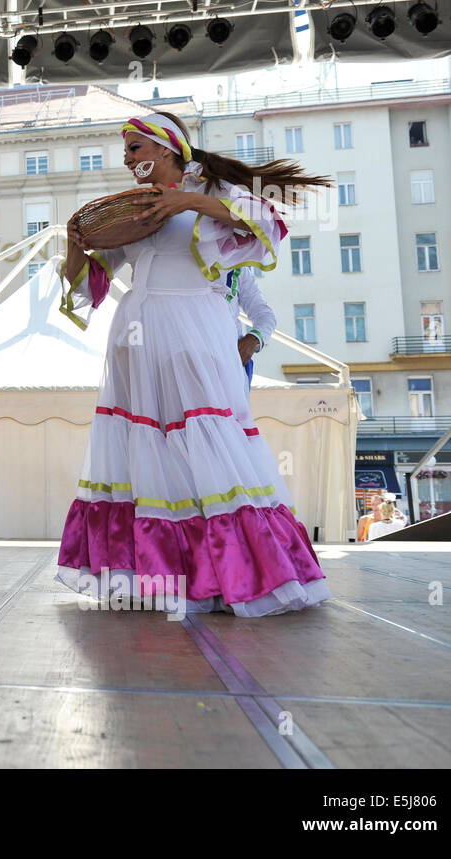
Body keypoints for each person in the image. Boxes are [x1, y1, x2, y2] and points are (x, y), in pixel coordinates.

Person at [57, 111, 333, 616]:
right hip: (135, 338)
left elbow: (267, 223)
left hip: (194, 328)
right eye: (126, 152)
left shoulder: (213, 190)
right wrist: (74, 248)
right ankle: (158, 578)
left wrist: (186, 200)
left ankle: (237, 576)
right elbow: (83, 288)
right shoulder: (131, 211)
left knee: (208, 439)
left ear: (166, 149)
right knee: (148, 448)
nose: (127, 159)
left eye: (135, 149)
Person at [217, 266, 276, 392]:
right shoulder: (175, 260)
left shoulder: (237, 267)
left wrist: (253, 339)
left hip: (231, 365)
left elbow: (265, 315)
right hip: (184, 361)